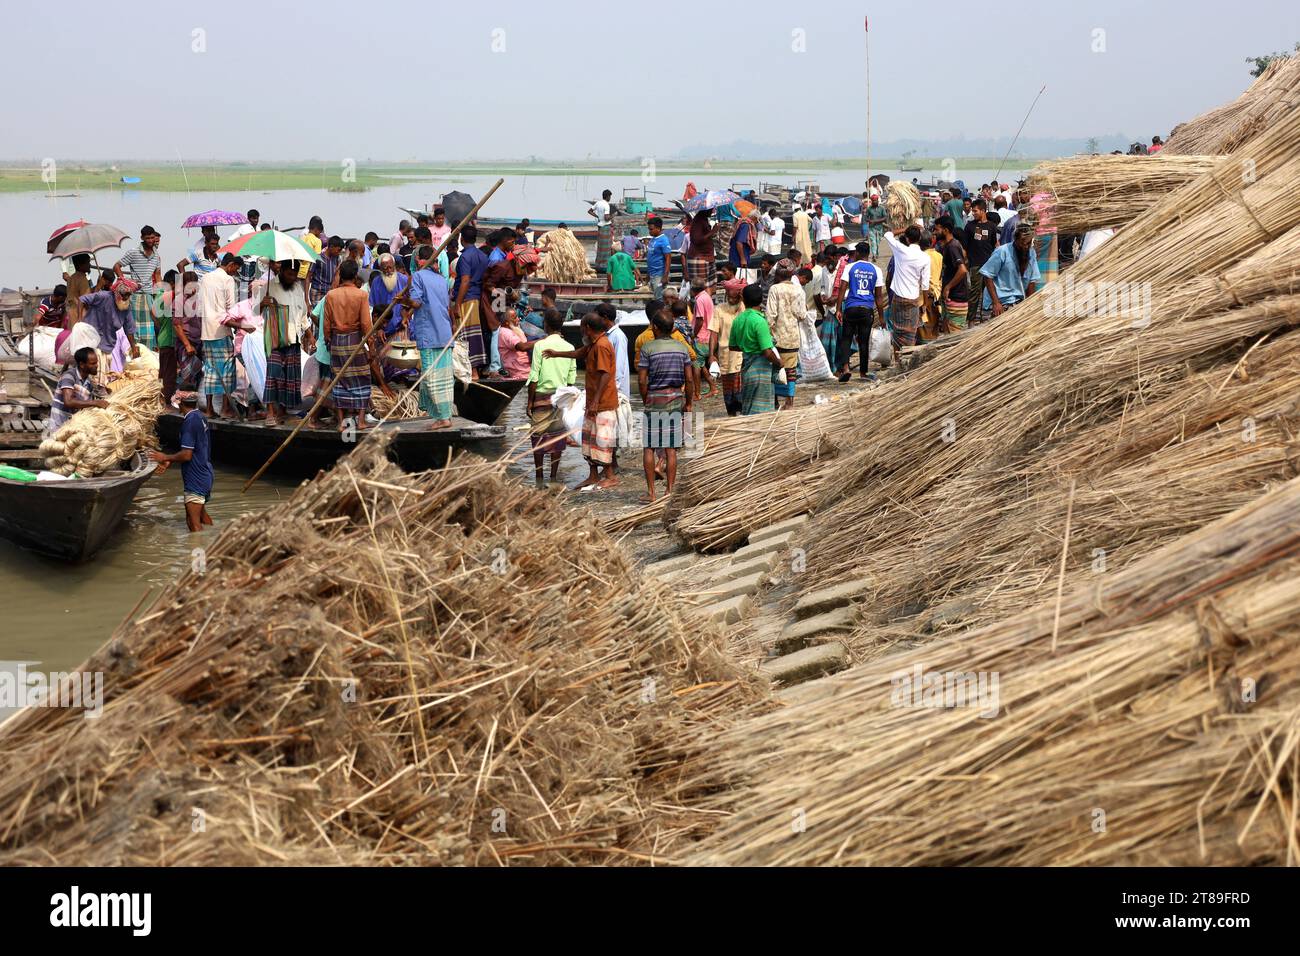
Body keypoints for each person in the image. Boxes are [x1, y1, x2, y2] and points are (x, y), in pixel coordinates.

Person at [637, 310, 695, 502]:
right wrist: (688, 402)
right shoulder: (682, 348)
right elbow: (689, 378)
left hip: (655, 397)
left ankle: (651, 493)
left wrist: (646, 399)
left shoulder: (648, 348)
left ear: (655, 327)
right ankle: (669, 491)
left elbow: (642, 380)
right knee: (671, 448)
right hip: (676, 398)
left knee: (649, 447)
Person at [399, 247, 455, 429]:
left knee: (432, 377)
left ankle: (443, 418)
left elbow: (416, 302)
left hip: (430, 334)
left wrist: (402, 301)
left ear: (418, 261)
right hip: (444, 334)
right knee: (444, 378)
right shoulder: (442, 280)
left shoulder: (418, 276)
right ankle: (443, 415)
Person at [147, 392, 213, 532]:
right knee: (202, 515)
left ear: (181, 404)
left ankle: (201, 550)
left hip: (195, 476)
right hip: (205, 472)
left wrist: (165, 457)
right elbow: (192, 448)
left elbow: (187, 455)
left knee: (192, 522)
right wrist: (171, 460)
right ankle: (215, 540)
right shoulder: (200, 416)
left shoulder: (189, 422)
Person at [322, 258, 376, 431]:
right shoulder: (361, 295)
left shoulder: (331, 295)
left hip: (337, 341)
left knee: (339, 380)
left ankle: (341, 423)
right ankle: (359, 421)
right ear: (355, 276)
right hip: (354, 340)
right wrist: (371, 347)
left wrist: (328, 339)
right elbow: (366, 324)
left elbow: (326, 323)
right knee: (362, 378)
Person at [525, 309, 575, 488]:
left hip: (541, 397)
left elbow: (534, 376)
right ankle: (553, 477)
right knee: (557, 438)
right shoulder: (569, 347)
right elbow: (571, 379)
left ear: (546, 325)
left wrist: (529, 402)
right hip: (560, 398)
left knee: (538, 437)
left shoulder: (540, 345)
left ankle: (539, 478)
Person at [260, 261, 308, 425]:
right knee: (273, 374)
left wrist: (309, 333)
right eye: (290, 274)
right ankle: (270, 413)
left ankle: (283, 411)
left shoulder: (298, 288)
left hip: (294, 338)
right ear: (282, 271)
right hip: (275, 338)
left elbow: (303, 314)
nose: (293, 277)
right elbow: (254, 310)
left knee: (290, 376)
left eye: (295, 274)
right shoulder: (269, 286)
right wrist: (262, 304)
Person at [577, 313, 619, 489]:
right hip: (594, 402)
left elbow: (604, 374)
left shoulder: (601, 345)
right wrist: (556, 354)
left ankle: (610, 475)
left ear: (587, 328)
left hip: (603, 403)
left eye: (581, 327)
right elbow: (579, 353)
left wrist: (595, 401)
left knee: (602, 440)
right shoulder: (594, 344)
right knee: (589, 439)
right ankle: (593, 475)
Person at [728, 284, 784, 416]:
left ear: (743, 300)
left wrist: (747, 346)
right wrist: (779, 363)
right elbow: (767, 352)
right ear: (761, 300)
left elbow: (732, 346)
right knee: (762, 411)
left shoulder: (738, 320)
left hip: (746, 369)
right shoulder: (759, 321)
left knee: (748, 407)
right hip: (761, 371)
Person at [833, 243, 886, 381]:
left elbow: (842, 289)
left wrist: (838, 309)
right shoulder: (876, 270)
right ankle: (863, 373)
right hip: (866, 309)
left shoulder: (850, 267)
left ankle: (845, 368)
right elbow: (879, 297)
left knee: (846, 338)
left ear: (856, 253)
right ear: (868, 253)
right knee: (864, 341)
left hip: (851, 307)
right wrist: (881, 317)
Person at [198, 253, 241, 418]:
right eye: (235, 269)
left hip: (207, 331)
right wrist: (239, 325)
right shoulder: (228, 280)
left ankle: (209, 409)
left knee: (210, 369)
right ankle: (225, 408)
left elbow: (201, 304)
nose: (234, 273)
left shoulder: (206, 278)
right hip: (222, 330)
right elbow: (231, 307)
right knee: (227, 370)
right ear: (230, 265)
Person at [882, 226, 931, 356]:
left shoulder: (900, 249)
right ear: (919, 238)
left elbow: (888, 234)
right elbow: (925, 285)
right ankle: (908, 359)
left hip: (898, 298)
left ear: (907, 239)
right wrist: (925, 304)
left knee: (897, 332)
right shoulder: (925, 258)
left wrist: (904, 228)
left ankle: (898, 359)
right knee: (911, 332)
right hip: (913, 299)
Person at [78, 271, 138, 375]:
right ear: (117, 293)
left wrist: (134, 347)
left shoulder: (126, 308)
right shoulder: (104, 297)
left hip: (107, 345)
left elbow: (129, 329)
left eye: (128, 295)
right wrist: (79, 320)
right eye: (124, 295)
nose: (125, 298)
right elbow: (82, 300)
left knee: (105, 372)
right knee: (95, 371)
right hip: (91, 340)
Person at [115, 226, 163, 349]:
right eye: (148, 238)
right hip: (135, 296)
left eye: (152, 238)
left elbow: (157, 275)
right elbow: (117, 266)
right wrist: (124, 281)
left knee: (149, 330)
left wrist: (161, 294)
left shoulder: (157, 256)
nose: (151, 240)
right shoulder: (133, 252)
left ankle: (147, 358)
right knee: (133, 329)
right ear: (142, 238)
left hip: (148, 295)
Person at [765, 266, 806, 409]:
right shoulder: (799, 290)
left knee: (775, 369)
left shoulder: (774, 289)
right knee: (791, 370)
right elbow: (802, 315)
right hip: (793, 336)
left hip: (776, 337)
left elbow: (770, 316)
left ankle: (775, 401)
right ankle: (790, 401)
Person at [979, 223, 1041, 318]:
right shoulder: (1002, 251)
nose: (1025, 247)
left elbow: (1032, 281)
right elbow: (987, 275)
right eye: (1022, 243)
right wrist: (996, 303)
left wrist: (1030, 305)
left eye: (1028, 243)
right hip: (999, 301)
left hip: (1017, 302)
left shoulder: (1031, 253)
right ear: (1015, 240)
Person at [45, 347, 109, 436]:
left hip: (74, 427)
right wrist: (95, 403)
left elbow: (84, 406)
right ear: (82, 364)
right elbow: (69, 401)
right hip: (60, 428)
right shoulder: (69, 376)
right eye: (93, 363)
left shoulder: (88, 383)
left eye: (96, 362)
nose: (96, 365)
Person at [708, 277, 746, 415]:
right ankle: (731, 413)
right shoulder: (718, 309)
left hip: (741, 354)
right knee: (728, 388)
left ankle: (740, 413)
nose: (731, 299)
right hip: (724, 354)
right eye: (729, 295)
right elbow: (713, 332)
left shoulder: (743, 308)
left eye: (734, 296)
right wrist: (711, 354)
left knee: (739, 386)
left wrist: (742, 299)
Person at [454, 226, 489, 375]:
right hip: (476, 298)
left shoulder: (465, 257)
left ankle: (472, 371)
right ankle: (473, 371)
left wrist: (457, 304)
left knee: (465, 335)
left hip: (466, 299)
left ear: (462, 239)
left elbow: (465, 281)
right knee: (473, 334)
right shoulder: (483, 256)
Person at [962, 200, 1000, 324]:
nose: (973, 213)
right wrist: (966, 262)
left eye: (975, 211)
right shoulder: (969, 226)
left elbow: (995, 244)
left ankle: (985, 319)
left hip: (989, 265)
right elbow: (965, 247)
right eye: (973, 211)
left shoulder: (991, 226)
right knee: (975, 293)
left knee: (989, 293)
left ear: (983, 211)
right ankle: (971, 320)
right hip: (975, 264)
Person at [934, 215, 970, 332]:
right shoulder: (948, 245)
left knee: (953, 334)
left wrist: (948, 287)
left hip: (957, 296)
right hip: (951, 296)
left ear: (946, 230)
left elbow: (962, 270)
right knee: (947, 330)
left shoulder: (952, 247)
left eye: (937, 229)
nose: (935, 232)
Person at [368, 253, 410, 338]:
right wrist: (378, 329)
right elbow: (373, 309)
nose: (389, 271)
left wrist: (405, 317)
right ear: (380, 269)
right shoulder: (376, 282)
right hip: (383, 330)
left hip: (402, 327)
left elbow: (411, 303)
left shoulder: (404, 280)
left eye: (391, 267)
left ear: (394, 266)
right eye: (385, 268)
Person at [691, 282, 716, 398]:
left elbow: (700, 320)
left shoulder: (700, 299)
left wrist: (693, 334)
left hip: (701, 336)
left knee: (696, 366)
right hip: (708, 335)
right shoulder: (706, 296)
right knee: (701, 365)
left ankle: (697, 393)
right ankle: (713, 388)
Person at [686, 210, 718, 289]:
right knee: (699, 288)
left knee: (711, 287)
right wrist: (712, 231)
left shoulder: (704, 219)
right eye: (710, 209)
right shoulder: (698, 221)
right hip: (699, 258)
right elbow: (696, 239)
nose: (712, 211)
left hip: (708, 257)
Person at [308, 236, 343, 306]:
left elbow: (336, 276)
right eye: (338, 250)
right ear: (331, 247)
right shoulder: (317, 258)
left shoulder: (337, 259)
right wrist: (306, 300)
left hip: (329, 292)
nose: (339, 253)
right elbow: (308, 277)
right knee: (317, 315)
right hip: (317, 292)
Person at [496, 308, 530, 380]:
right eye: (515, 318)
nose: (518, 319)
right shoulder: (505, 332)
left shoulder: (515, 329)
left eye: (517, 317)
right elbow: (522, 347)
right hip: (519, 375)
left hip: (526, 372)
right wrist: (542, 340)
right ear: (507, 322)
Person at [646, 217, 673, 299]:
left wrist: (665, 276)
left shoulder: (664, 240)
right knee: (655, 297)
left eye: (651, 229)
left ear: (658, 228)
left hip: (659, 275)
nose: (649, 231)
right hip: (652, 274)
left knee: (660, 298)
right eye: (649, 229)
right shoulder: (653, 240)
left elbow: (668, 259)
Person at [728, 211, 759, 282]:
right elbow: (739, 242)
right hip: (738, 258)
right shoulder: (746, 225)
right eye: (757, 220)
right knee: (739, 280)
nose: (757, 223)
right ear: (754, 218)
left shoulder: (742, 222)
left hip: (737, 255)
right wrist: (743, 259)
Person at [64, 255, 94, 325]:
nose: (89, 265)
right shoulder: (82, 279)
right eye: (88, 263)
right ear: (80, 265)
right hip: (80, 316)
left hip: (71, 315)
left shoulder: (71, 278)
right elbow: (86, 300)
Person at [590, 189, 614, 271]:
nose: (610, 198)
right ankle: (605, 264)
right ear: (607, 196)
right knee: (607, 247)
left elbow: (590, 211)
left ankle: (599, 263)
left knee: (600, 246)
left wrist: (597, 216)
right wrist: (613, 215)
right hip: (606, 227)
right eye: (610, 196)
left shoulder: (598, 203)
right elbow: (607, 218)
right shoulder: (606, 205)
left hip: (600, 227)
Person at [299, 216, 325, 283]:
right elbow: (317, 258)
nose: (320, 235)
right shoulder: (317, 241)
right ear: (316, 230)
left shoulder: (302, 238)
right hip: (308, 273)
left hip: (299, 271)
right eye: (320, 232)